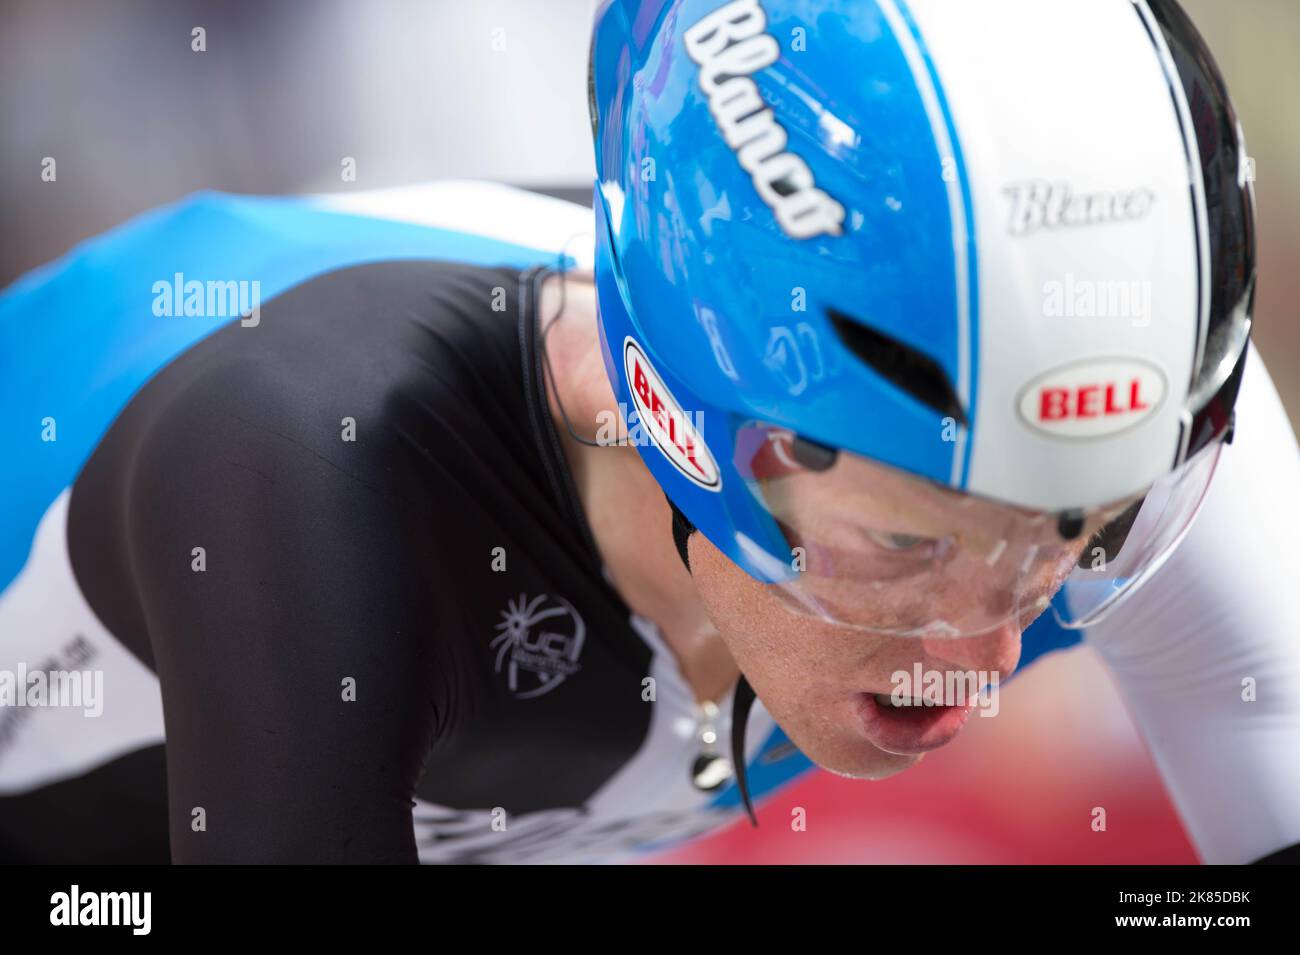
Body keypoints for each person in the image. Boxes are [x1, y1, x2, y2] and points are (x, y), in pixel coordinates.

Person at [1, 0, 1297, 864]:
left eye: (1073, 536)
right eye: (907, 544)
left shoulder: (1130, 420)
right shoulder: (308, 466)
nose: (982, 647)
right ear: (669, 414)